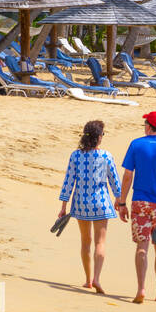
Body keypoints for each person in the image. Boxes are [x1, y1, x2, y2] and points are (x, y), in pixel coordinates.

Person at [116, 111, 156, 304]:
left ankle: (141, 288)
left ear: (148, 126)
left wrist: (122, 202)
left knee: (141, 246)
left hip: (139, 203)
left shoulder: (136, 144)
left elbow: (128, 176)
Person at [57, 120, 120, 295]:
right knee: (100, 242)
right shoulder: (106, 156)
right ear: (99, 137)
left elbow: (68, 182)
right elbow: (114, 180)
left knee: (86, 241)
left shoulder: (76, 156)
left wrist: (64, 205)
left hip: (81, 203)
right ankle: (97, 278)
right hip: (101, 203)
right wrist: (119, 201)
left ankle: (87, 280)